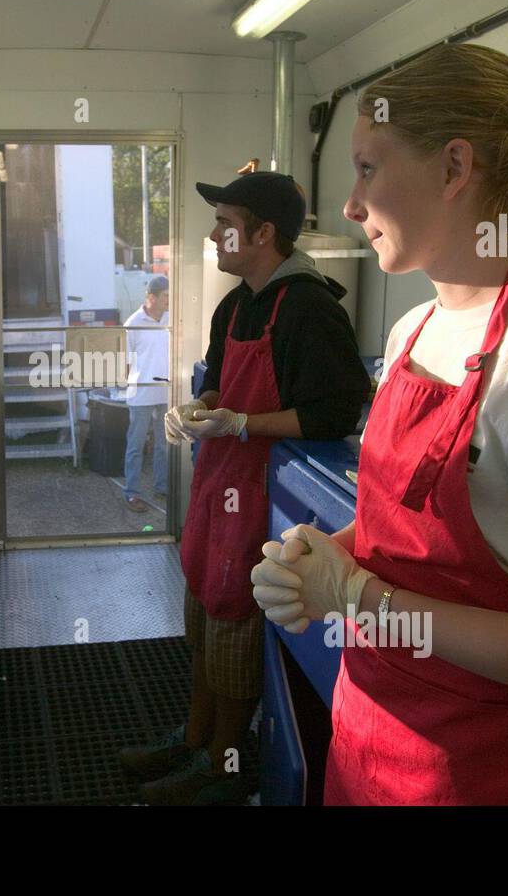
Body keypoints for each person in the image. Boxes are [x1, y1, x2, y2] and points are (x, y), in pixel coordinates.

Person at [250, 43, 508, 805]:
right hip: (368, 749)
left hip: (487, 777)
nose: (349, 206)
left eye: (367, 169)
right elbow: (399, 533)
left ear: (453, 167)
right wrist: (324, 554)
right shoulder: (414, 332)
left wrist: (359, 597)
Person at [118, 171, 369, 805]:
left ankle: (224, 764)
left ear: (263, 234)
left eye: (225, 223)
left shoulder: (309, 308)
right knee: (203, 608)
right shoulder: (236, 304)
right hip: (217, 482)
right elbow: (217, 379)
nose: (213, 235)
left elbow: (335, 413)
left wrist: (242, 424)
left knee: (233, 624)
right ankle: (194, 737)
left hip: (263, 492)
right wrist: (200, 407)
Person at [121, 274, 170, 512]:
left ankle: (162, 487)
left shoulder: (171, 318)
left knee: (164, 445)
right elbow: (125, 362)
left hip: (166, 393)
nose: (169, 301)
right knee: (136, 446)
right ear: (151, 297)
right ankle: (131, 493)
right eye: (165, 296)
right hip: (140, 394)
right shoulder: (132, 323)